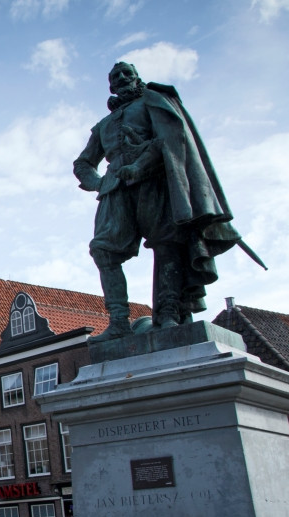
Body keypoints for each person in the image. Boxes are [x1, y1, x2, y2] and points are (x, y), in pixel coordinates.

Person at [74, 61, 243, 340]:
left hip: (154, 181)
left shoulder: (152, 103)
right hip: (116, 188)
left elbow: (170, 141)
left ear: (137, 78)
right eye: (117, 76)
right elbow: (83, 162)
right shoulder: (103, 126)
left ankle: (167, 314)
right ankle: (118, 321)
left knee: (167, 244)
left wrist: (140, 165)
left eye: (128, 73)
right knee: (103, 250)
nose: (123, 77)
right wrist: (99, 182)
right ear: (111, 85)